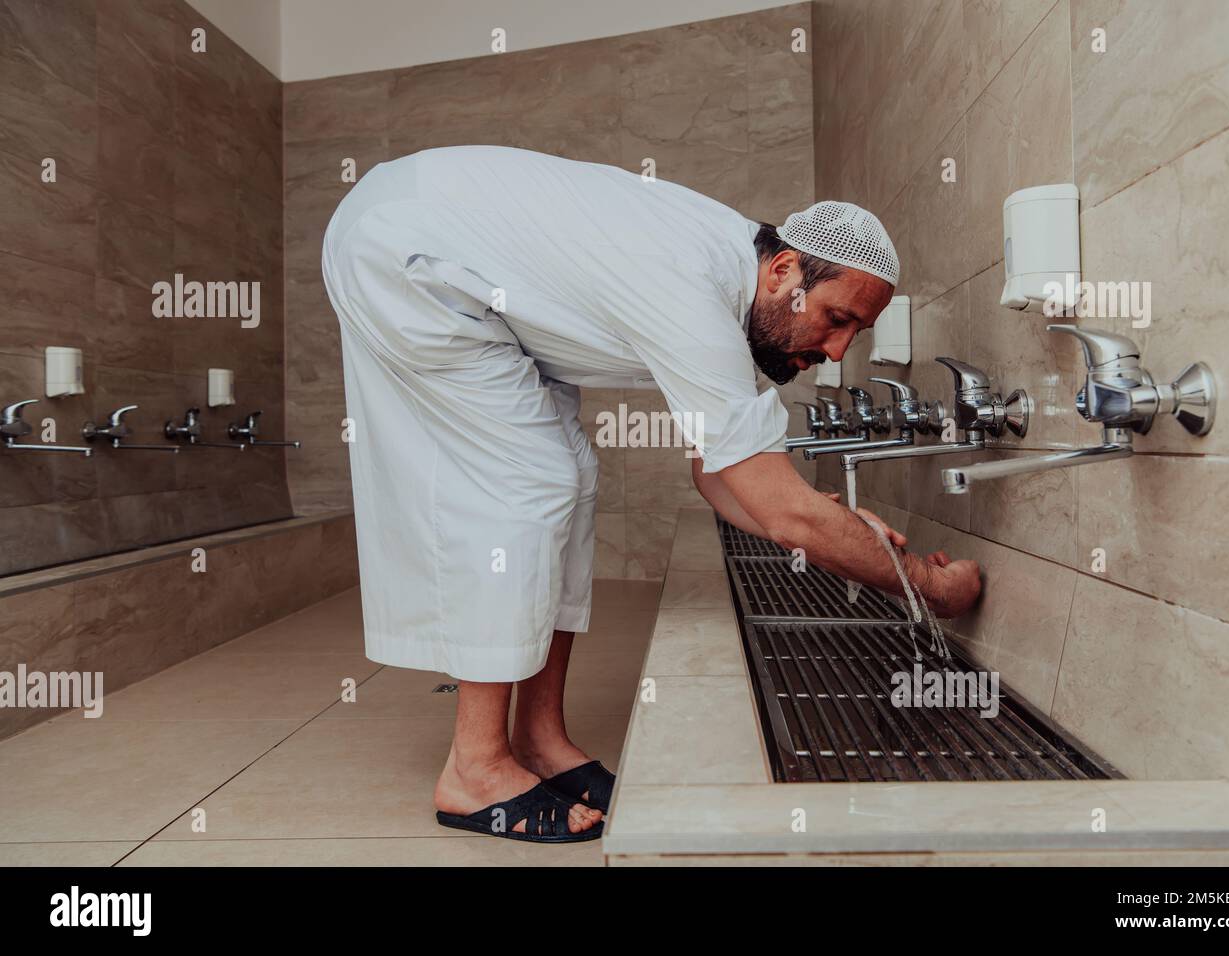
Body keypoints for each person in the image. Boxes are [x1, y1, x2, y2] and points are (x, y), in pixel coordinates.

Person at [321, 146, 982, 843]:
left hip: (434, 243)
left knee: (567, 475)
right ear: (784, 270)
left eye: (856, 330)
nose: (840, 350)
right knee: (528, 480)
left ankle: (541, 738)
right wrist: (925, 588)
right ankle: (475, 770)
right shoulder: (692, 287)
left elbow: (719, 474)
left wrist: (837, 525)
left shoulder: (732, 289)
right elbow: (782, 510)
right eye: (837, 318)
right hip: (402, 249)